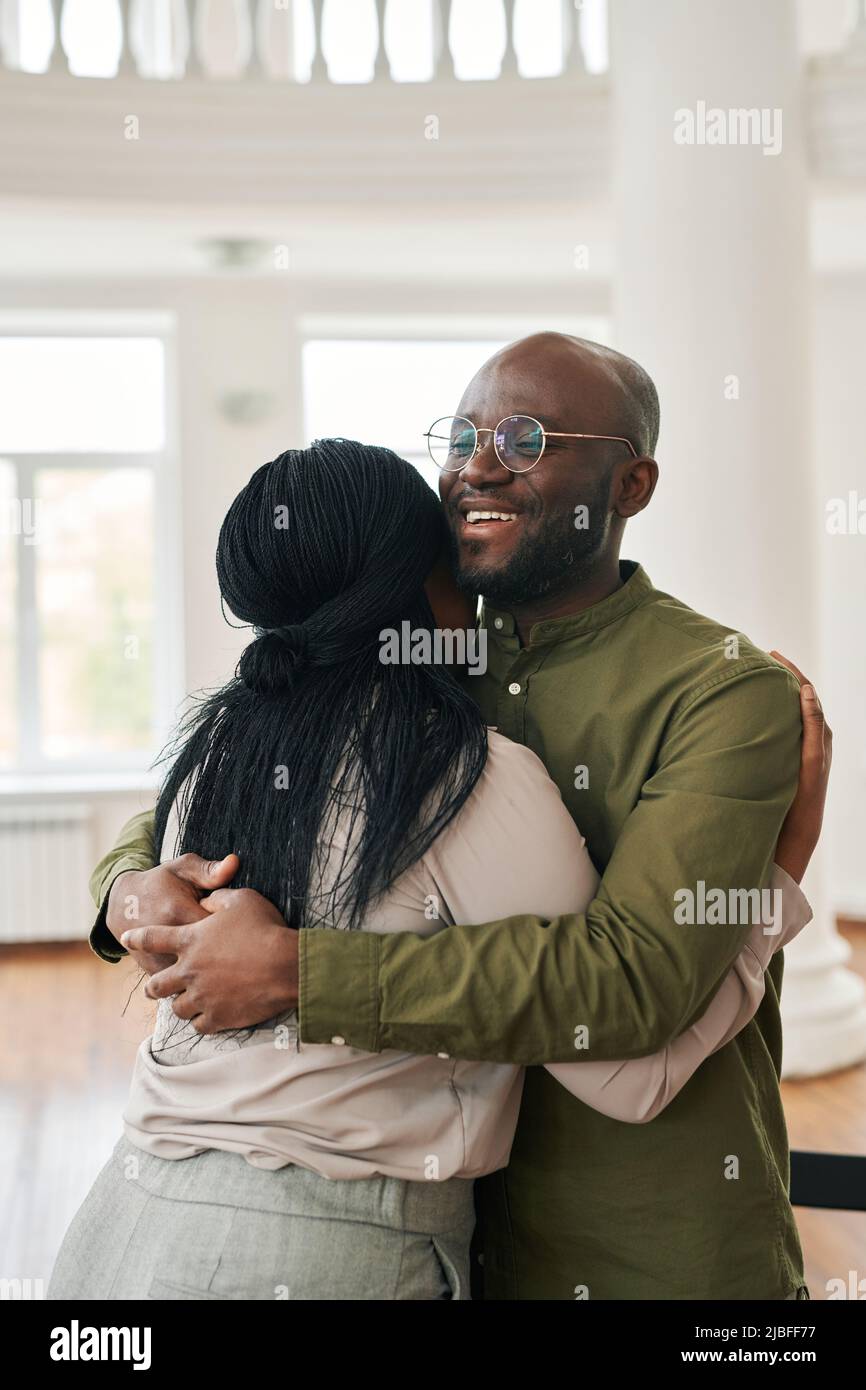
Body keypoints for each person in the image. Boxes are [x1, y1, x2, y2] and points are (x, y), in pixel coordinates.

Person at [81, 335, 832, 1300]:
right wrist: (127, 890)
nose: (479, 463)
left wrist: (297, 971)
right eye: (463, 435)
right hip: (428, 1231)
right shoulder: (394, 647)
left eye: (525, 438)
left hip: (644, 1234)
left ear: (631, 485)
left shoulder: (720, 693)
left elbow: (632, 981)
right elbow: (207, 794)